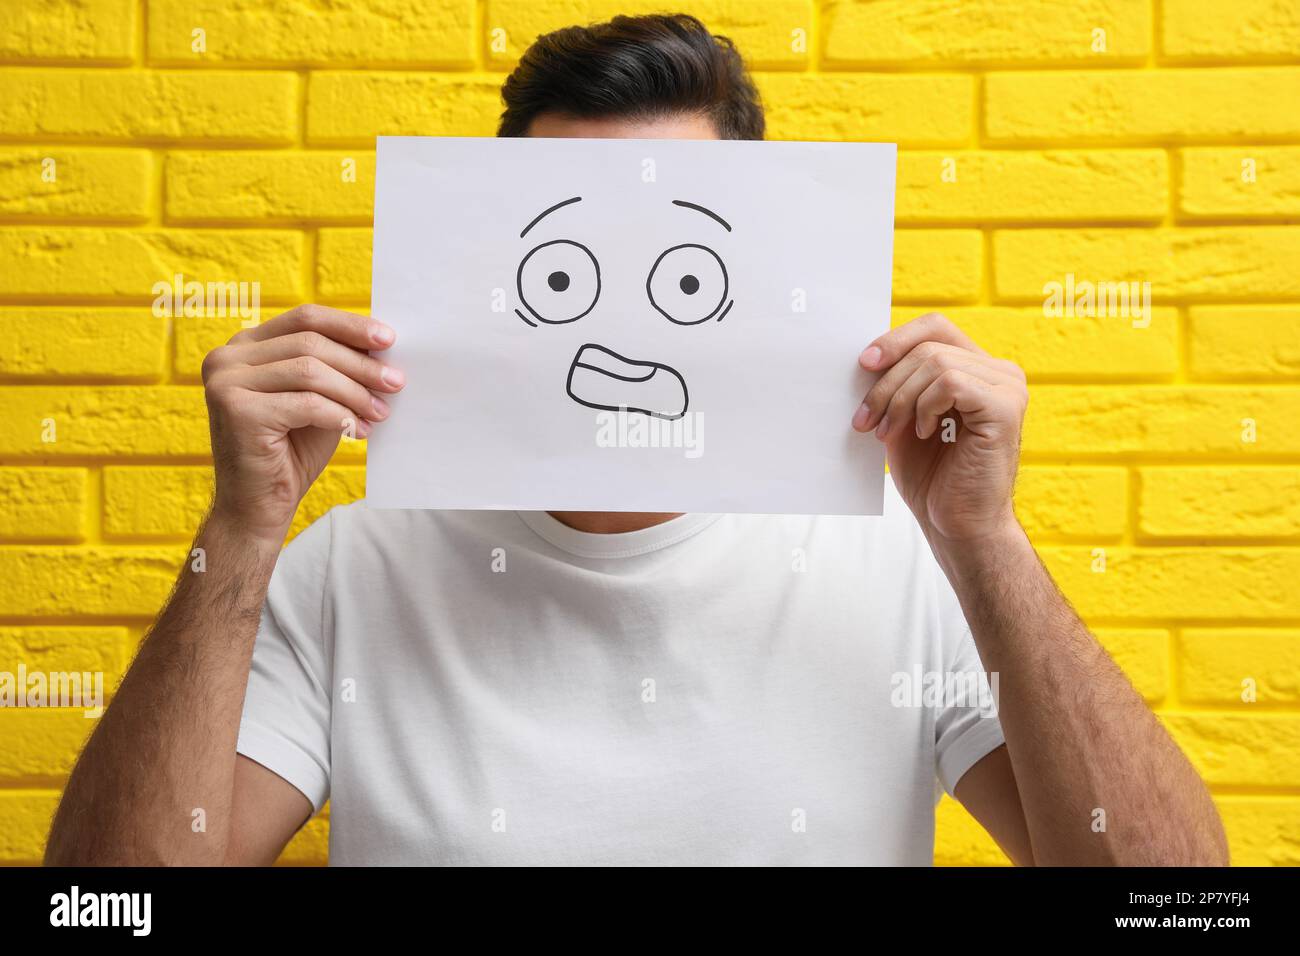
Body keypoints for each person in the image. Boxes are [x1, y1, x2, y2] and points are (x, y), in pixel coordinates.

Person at [45, 13, 1227, 866]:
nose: (623, 332)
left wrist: (984, 537)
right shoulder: (349, 571)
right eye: (566, 271)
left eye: (681, 275)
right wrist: (239, 535)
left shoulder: (906, 573)